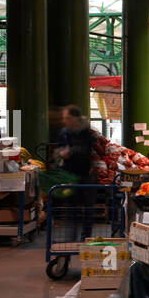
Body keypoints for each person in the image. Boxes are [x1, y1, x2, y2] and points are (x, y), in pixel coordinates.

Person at [55, 105, 97, 245]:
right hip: (69, 176)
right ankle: (70, 240)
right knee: (71, 209)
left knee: (88, 210)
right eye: (64, 118)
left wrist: (71, 152)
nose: (64, 120)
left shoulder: (87, 132)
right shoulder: (64, 132)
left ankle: (86, 239)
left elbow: (88, 150)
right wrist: (60, 153)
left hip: (86, 175)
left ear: (75, 118)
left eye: (67, 118)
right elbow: (58, 148)